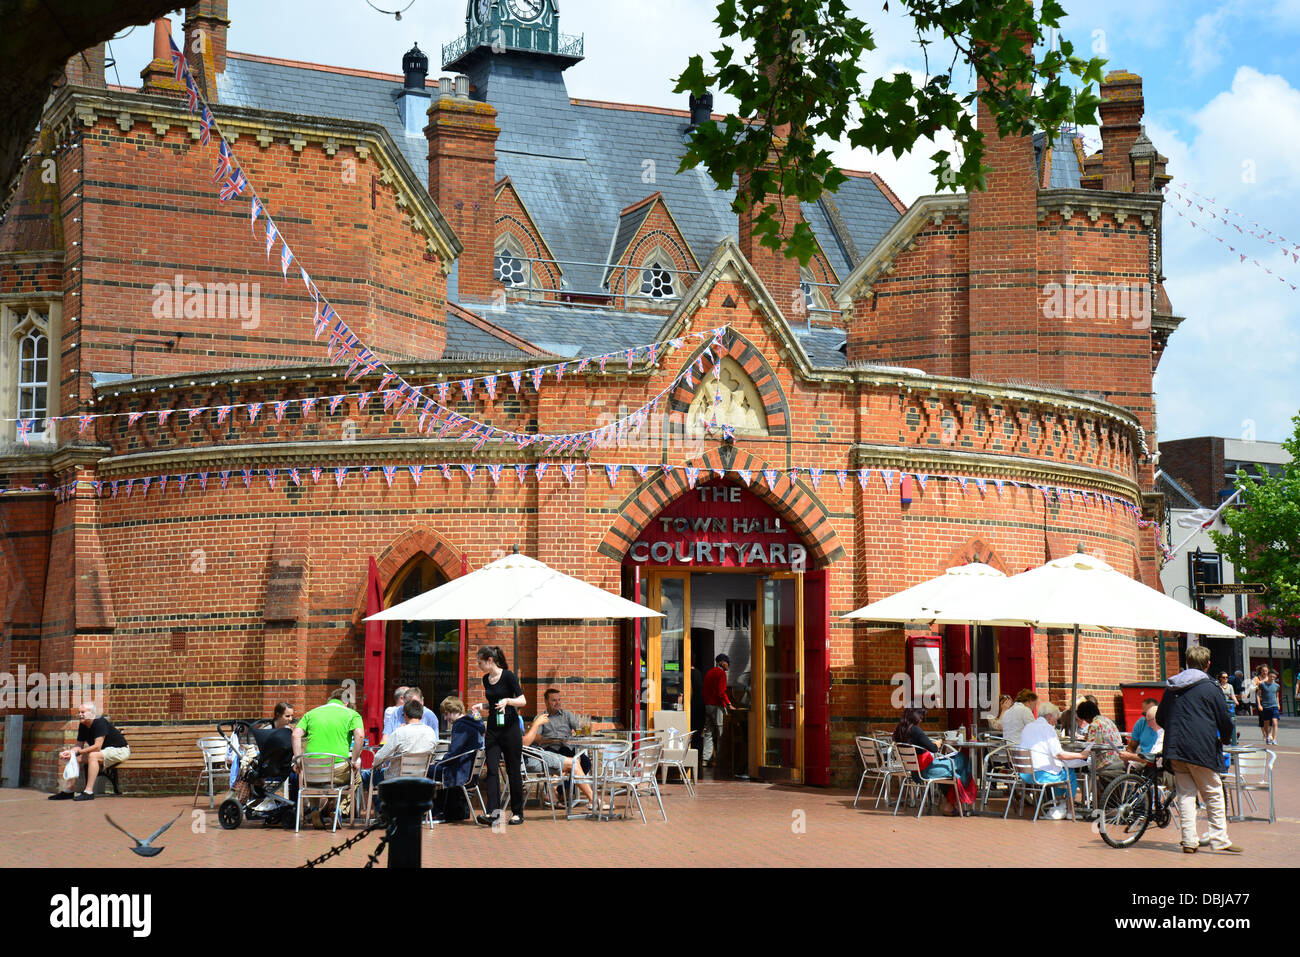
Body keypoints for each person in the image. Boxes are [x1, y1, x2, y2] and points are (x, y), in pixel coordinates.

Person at [1156, 644, 1240, 854]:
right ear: (1208, 664)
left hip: (1175, 749)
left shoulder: (1172, 686)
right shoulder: (1211, 688)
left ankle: (1189, 841)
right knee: (1213, 792)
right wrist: (1226, 738)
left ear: (1186, 663)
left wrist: (1177, 731)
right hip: (1201, 748)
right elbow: (1224, 719)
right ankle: (1219, 839)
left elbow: (1160, 718)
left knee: (1185, 794)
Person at [292, 687, 363, 828]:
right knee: (355, 777)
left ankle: (314, 810)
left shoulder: (311, 713)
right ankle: (338, 809)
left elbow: (295, 734)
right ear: (347, 702)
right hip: (337, 770)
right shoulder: (351, 714)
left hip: (311, 770)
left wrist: (298, 760)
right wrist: (354, 760)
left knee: (313, 782)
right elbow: (360, 735)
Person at [474, 645, 526, 826]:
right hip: (493, 729)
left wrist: (508, 700)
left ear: (490, 660)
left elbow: (523, 700)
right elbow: (494, 703)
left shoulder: (508, 676)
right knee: (492, 770)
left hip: (510, 729)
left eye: (480, 662)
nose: (478, 665)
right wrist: (483, 706)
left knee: (513, 771)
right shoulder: (486, 680)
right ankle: (493, 814)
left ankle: (518, 812)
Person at [891, 708, 975, 814]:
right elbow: (934, 749)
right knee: (961, 761)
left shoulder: (899, 730)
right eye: (921, 717)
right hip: (926, 771)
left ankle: (950, 803)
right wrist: (938, 743)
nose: (921, 720)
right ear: (915, 716)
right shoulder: (915, 730)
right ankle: (957, 803)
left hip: (914, 772)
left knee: (954, 769)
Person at [1018, 702, 1090, 819]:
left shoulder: (1028, 727)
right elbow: (1059, 754)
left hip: (1024, 773)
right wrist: (1081, 755)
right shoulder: (1048, 729)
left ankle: (1060, 804)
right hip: (1039, 775)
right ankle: (1069, 810)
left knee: (1059, 769)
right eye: (1056, 719)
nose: (1056, 723)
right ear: (1050, 716)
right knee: (1069, 773)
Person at [522, 713, 606, 812]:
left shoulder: (567, 715)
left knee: (583, 762)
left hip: (549, 751)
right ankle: (593, 799)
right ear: (546, 701)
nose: (557, 703)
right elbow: (527, 742)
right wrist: (536, 725)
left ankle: (555, 792)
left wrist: (582, 728)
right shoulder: (541, 717)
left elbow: (580, 729)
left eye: (558, 700)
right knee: (573, 762)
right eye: (554, 700)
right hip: (544, 751)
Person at [50, 703, 130, 801]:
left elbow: (97, 747)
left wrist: (78, 753)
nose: (80, 715)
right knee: (74, 757)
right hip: (103, 752)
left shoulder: (99, 722)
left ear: (92, 713)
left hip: (120, 750)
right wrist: (70, 753)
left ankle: (88, 792)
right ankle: (69, 791)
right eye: (79, 712)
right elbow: (79, 745)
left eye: (83, 712)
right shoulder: (83, 725)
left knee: (93, 756)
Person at [430, 696, 485, 823]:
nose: (445, 718)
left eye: (446, 714)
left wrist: (438, 762)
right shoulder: (475, 723)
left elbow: (454, 752)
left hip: (460, 771)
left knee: (426, 771)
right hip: (470, 771)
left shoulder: (460, 725)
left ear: (454, 710)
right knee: (434, 769)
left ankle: (434, 811)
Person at [1098, 704, 1175, 792]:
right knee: (1106, 771)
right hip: (1147, 768)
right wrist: (1129, 757)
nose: (1148, 724)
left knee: (1108, 774)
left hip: (1158, 773)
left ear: (1156, 719)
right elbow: (1133, 747)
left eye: (1149, 721)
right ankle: (1125, 800)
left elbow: (1152, 758)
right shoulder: (1159, 731)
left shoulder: (1164, 733)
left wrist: (1130, 757)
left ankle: (1130, 800)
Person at [252, 701, 298, 806]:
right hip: (270, 766)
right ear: (278, 715)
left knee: (296, 775)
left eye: (291, 716)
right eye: (287, 716)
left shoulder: (288, 731)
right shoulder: (267, 731)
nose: (290, 719)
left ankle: (295, 804)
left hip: (283, 765)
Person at [702, 653, 734, 768]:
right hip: (717, 706)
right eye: (727, 662)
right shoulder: (721, 673)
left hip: (708, 705)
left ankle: (705, 759)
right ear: (722, 662)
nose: (728, 665)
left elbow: (704, 690)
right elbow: (721, 692)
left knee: (708, 732)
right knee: (721, 732)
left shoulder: (709, 672)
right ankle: (720, 759)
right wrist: (729, 704)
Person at [1256, 667, 1280, 746]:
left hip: (1274, 706)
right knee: (1266, 723)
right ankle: (1268, 737)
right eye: (1271, 676)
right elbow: (1258, 695)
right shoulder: (1262, 684)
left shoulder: (1277, 686)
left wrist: (1278, 703)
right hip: (1265, 706)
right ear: (1268, 676)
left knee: (1274, 722)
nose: (1272, 678)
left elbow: (1277, 696)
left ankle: (1274, 739)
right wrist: (1259, 704)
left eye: (1274, 677)